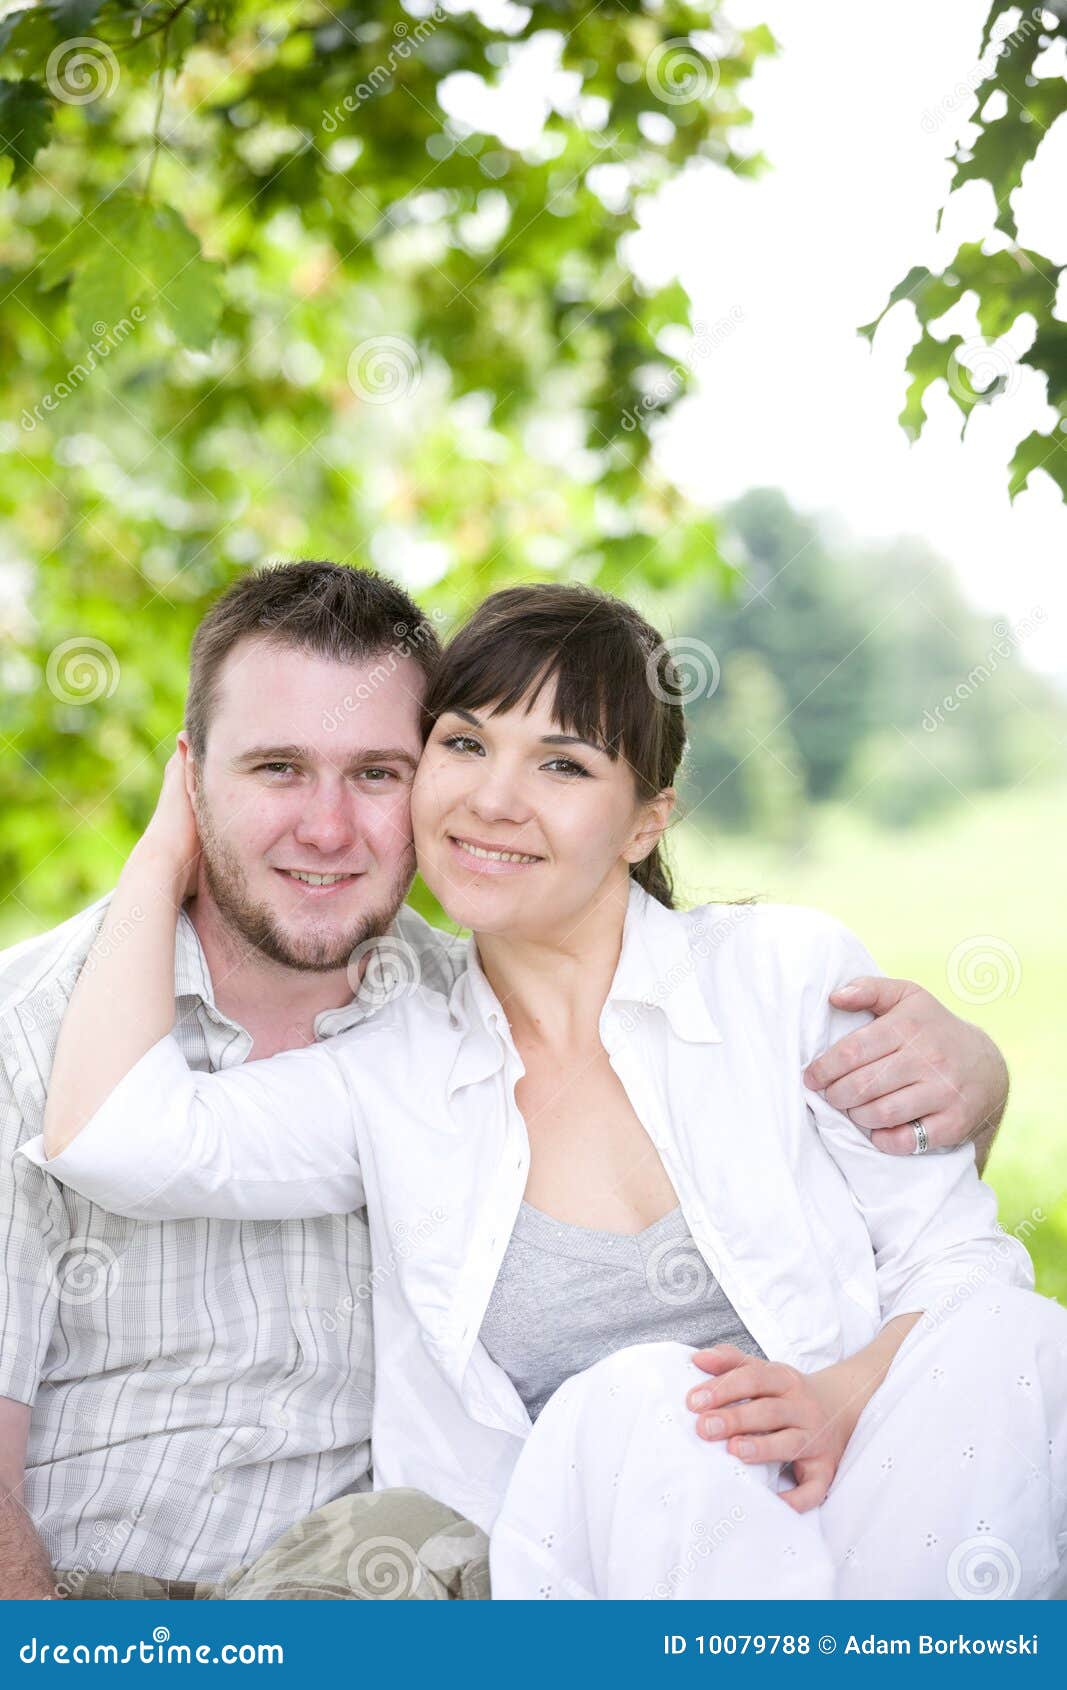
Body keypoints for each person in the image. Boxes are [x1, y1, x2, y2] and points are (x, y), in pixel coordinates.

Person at [25, 582, 1066, 1600]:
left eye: (561, 763)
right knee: (645, 1401)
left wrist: (840, 1396)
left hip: (875, 1527)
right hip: (603, 1587)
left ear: (644, 822)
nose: (492, 798)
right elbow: (114, 1136)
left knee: (1022, 1340)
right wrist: (171, 844)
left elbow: (964, 1267)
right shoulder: (390, 1059)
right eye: (466, 743)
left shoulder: (783, 974)